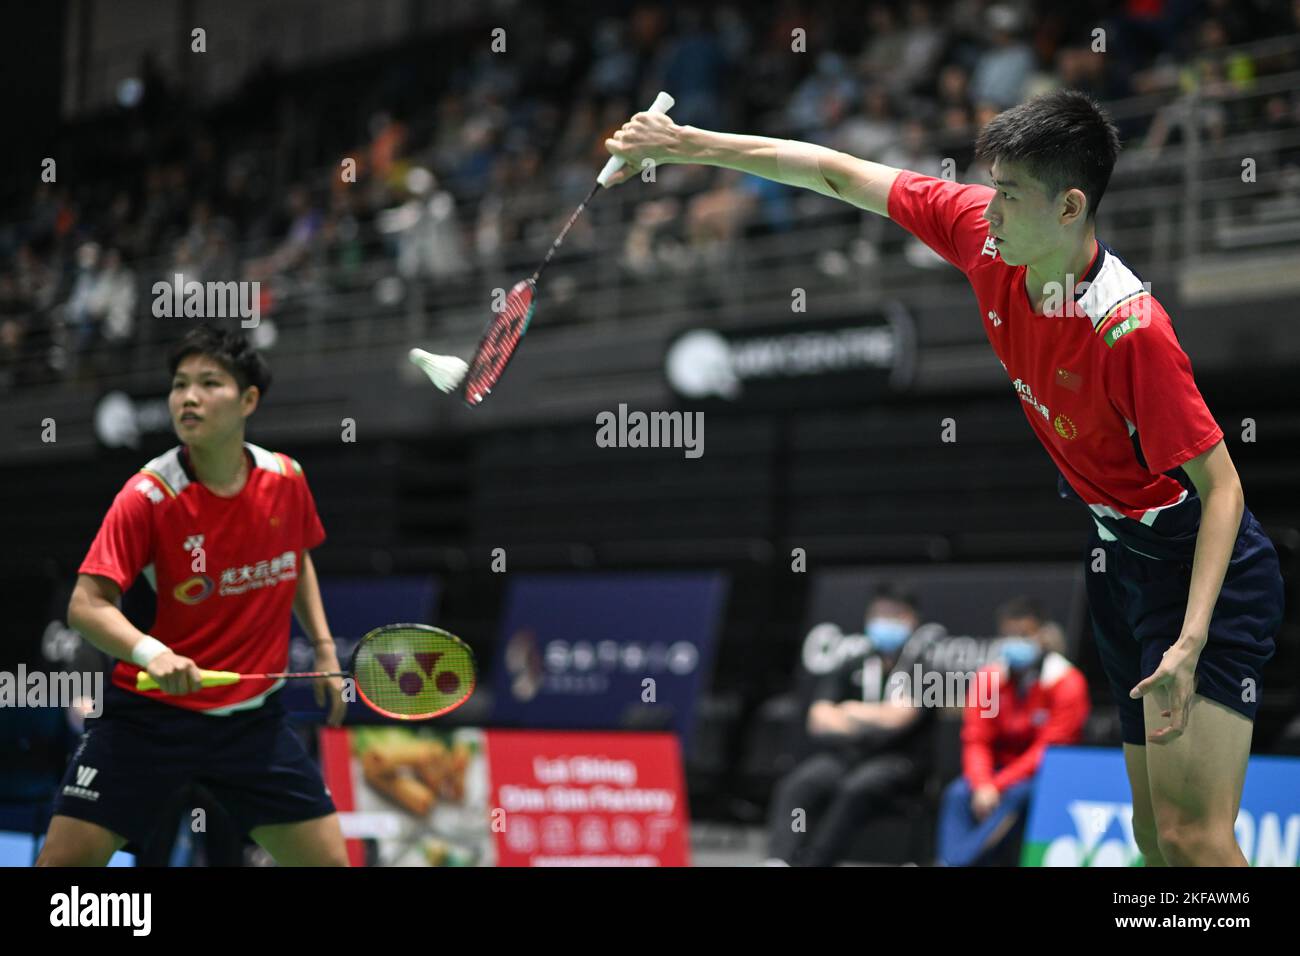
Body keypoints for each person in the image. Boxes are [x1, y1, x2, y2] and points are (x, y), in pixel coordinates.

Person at [603, 87, 1285, 866]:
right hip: (1121, 561)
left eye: (1010, 196)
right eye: (991, 188)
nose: (989, 209)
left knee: (1198, 837)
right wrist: (685, 142)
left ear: (1069, 208)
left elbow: (1222, 487)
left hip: (1204, 574)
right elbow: (834, 171)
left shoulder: (1128, 331)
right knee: (1153, 838)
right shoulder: (983, 238)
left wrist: (1192, 639)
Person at [37, 324, 349, 866]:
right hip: (149, 721)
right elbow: (85, 606)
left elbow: (295, 557)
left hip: (253, 724)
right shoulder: (148, 496)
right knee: (61, 873)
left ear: (248, 399)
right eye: (180, 385)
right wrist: (150, 653)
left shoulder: (285, 479)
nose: (189, 398)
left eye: (209, 383)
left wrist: (322, 648)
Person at [764, 584, 935, 866]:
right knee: (800, 782)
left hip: (900, 760)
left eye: (893, 616)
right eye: (878, 615)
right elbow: (818, 721)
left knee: (857, 787)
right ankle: (778, 860)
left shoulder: (923, 669)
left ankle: (815, 862)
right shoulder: (852, 664)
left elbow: (898, 720)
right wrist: (875, 716)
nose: (884, 623)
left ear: (911, 619)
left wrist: (850, 712)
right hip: (849, 755)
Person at [936, 596, 1089, 866]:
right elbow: (976, 739)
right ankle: (952, 860)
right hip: (994, 773)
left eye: (1024, 635)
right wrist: (982, 782)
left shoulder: (1067, 682)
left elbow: (1049, 750)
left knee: (1015, 796)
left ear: (1042, 636)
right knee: (958, 793)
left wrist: (997, 785)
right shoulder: (989, 679)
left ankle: (954, 863)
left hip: (1042, 777)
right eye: (1009, 635)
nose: (1015, 642)